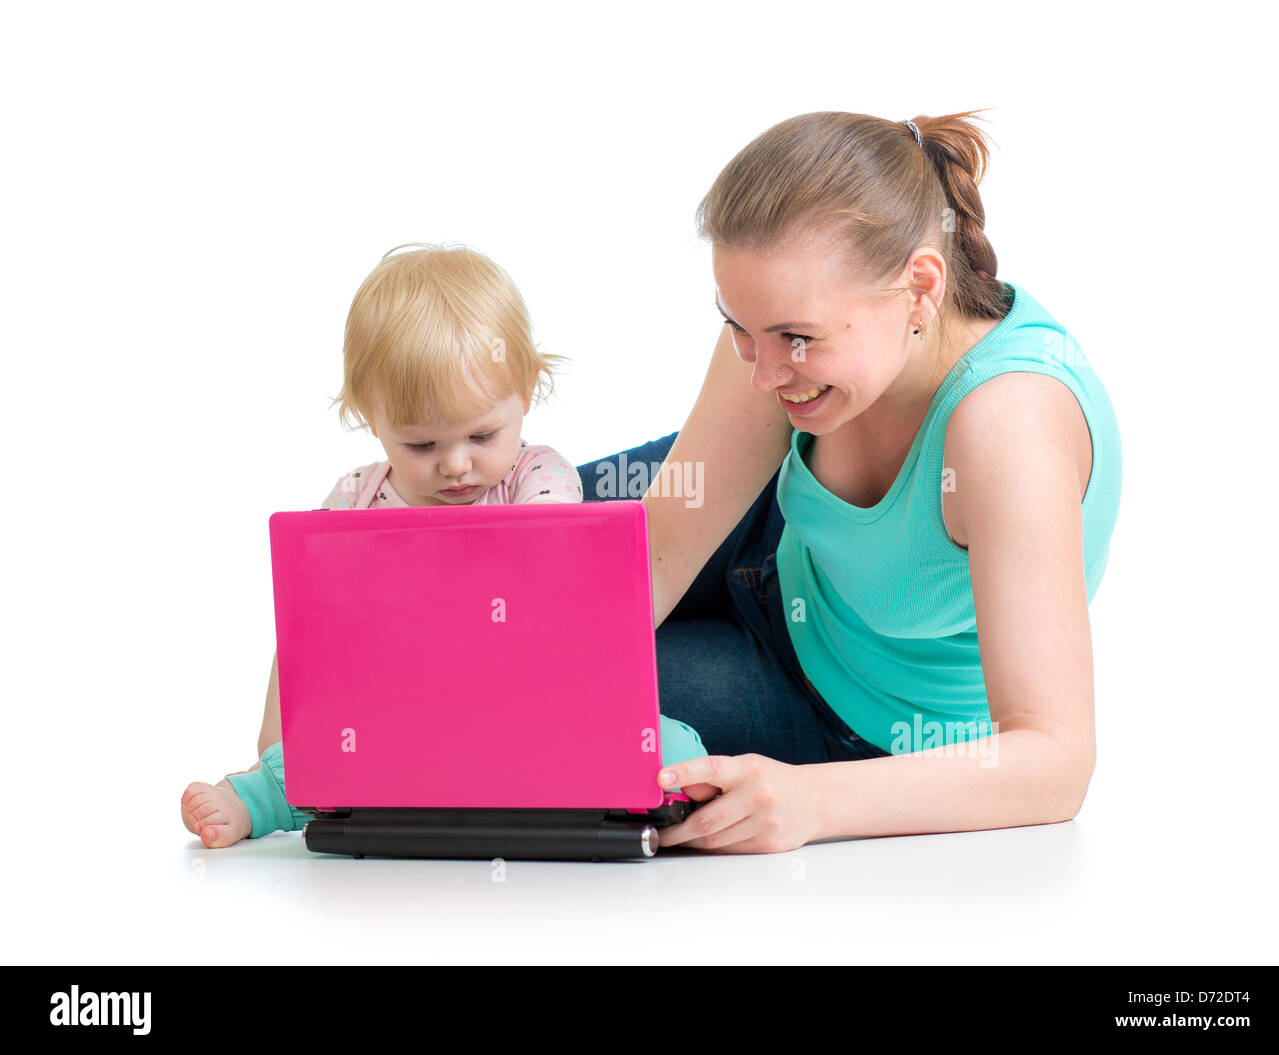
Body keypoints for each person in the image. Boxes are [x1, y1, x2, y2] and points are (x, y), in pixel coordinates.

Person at [574, 109, 1122, 854]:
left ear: (921, 287)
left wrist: (809, 801)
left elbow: (1056, 763)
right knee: (491, 534)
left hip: (852, 710)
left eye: (797, 339)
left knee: (552, 713)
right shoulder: (780, 331)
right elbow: (666, 544)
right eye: (739, 327)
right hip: (770, 525)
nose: (762, 374)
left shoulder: (1008, 429)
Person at [180, 244, 706, 847]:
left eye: (482, 434)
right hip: (401, 717)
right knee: (311, 765)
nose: (456, 467)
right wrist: (279, 749)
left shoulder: (539, 478)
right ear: (370, 419)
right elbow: (306, 628)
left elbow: (552, 577)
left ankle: (630, 802)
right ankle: (259, 801)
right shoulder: (354, 498)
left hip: (530, 703)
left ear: (528, 391)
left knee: (674, 750)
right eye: (421, 446)